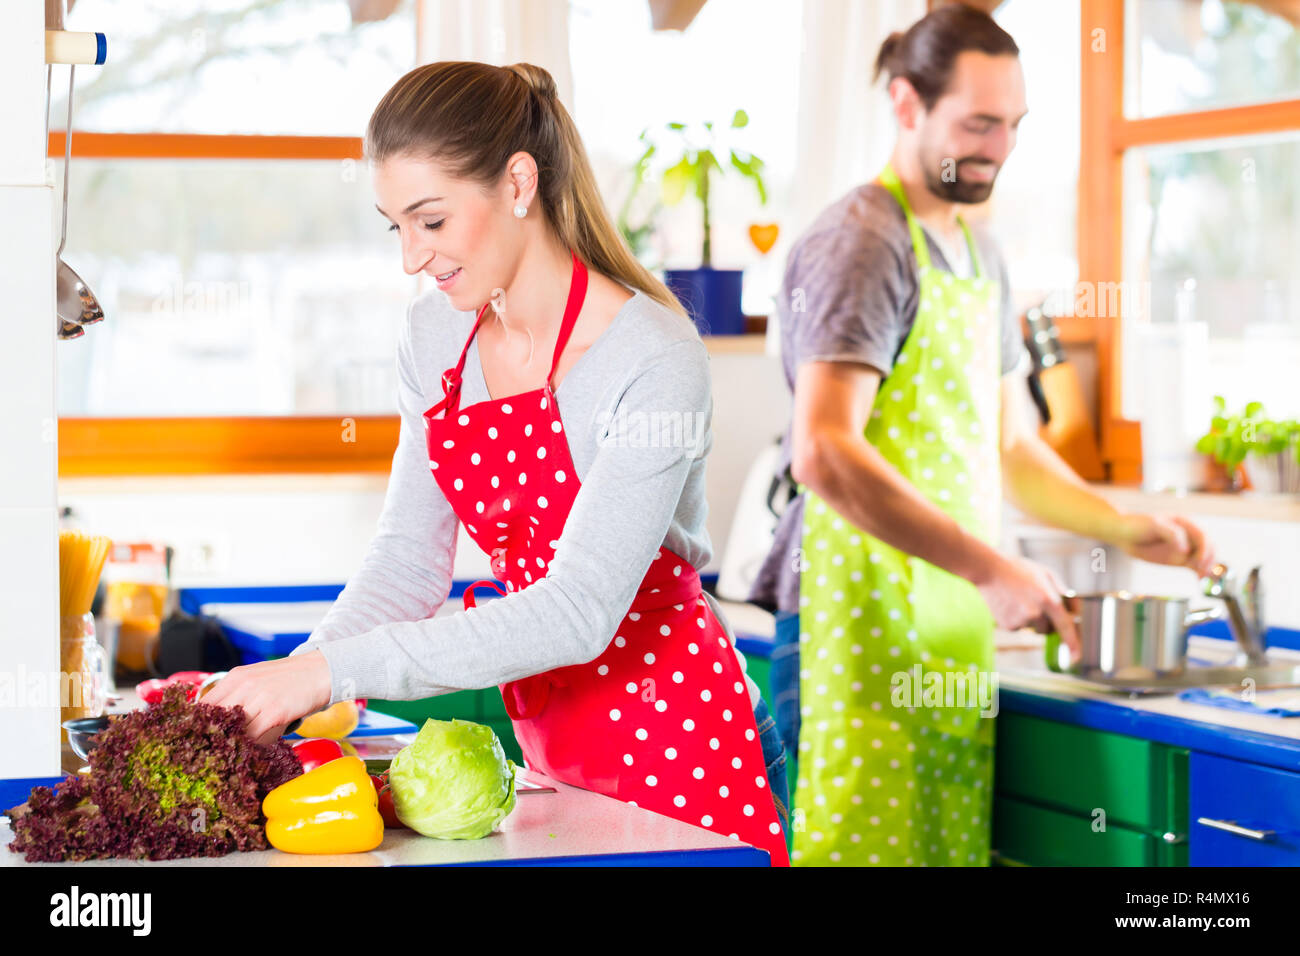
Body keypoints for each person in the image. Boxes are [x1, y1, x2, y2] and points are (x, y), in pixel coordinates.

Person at [204, 61, 789, 865]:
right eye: (395, 226)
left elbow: (578, 612)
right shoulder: (436, 335)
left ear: (519, 182)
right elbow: (408, 562)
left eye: (432, 221)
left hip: (678, 741)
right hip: (549, 745)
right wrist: (299, 677)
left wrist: (330, 673)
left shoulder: (653, 354)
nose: (413, 257)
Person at [747, 5, 1215, 866]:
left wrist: (1124, 528)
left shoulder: (977, 251)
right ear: (905, 104)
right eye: (979, 123)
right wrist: (992, 568)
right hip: (852, 633)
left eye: (1014, 125)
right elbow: (824, 449)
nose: (999, 148)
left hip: (944, 635)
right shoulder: (865, 241)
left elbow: (1009, 447)